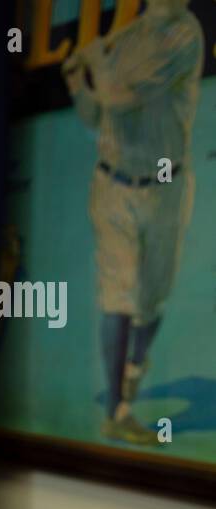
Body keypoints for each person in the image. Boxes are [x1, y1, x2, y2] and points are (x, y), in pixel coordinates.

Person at [61, 0, 202, 444]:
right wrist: (75, 83)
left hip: (164, 184)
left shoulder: (185, 35)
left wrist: (96, 60)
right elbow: (95, 118)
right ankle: (118, 410)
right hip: (113, 185)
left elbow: (120, 98)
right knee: (117, 293)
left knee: (153, 295)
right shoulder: (126, 39)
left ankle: (137, 360)